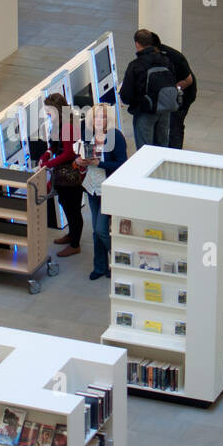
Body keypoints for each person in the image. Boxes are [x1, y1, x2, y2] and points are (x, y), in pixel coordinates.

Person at [74, 103, 127, 280]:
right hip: (92, 188)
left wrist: (100, 163)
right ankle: (100, 266)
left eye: (103, 117)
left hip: (108, 189)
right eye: (96, 117)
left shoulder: (115, 137)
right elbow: (79, 154)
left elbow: (122, 164)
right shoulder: (87, 135)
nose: (99, 121)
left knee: (101, 230)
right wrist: (79, 161)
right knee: (97, 232)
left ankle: (121, 260)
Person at [40, 92, 85, 258]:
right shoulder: (60, 124)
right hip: (64, 175)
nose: (47, 115)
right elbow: (54, 145)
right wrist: (47, 153)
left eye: (49, 112)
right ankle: (71, 236)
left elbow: (67, 154)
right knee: (66, 204)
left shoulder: (67, 126)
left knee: (73, 209)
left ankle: (75, 244)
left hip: (70, 177)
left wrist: (47, 164)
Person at [119, 28, 175, 149]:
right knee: (162, 146)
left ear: (137, 44)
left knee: (145, 150)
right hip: (164, 109)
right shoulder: (165, 60)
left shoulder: (136, 65)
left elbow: (126, 95)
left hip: (144, 111)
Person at [148, 31, 197, 149]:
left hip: (183, 95)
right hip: (169, 95)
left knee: (175, 123)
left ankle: (175, 152)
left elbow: (188, 80)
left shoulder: (174, 57)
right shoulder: (153, 56)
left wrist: (171, 92)